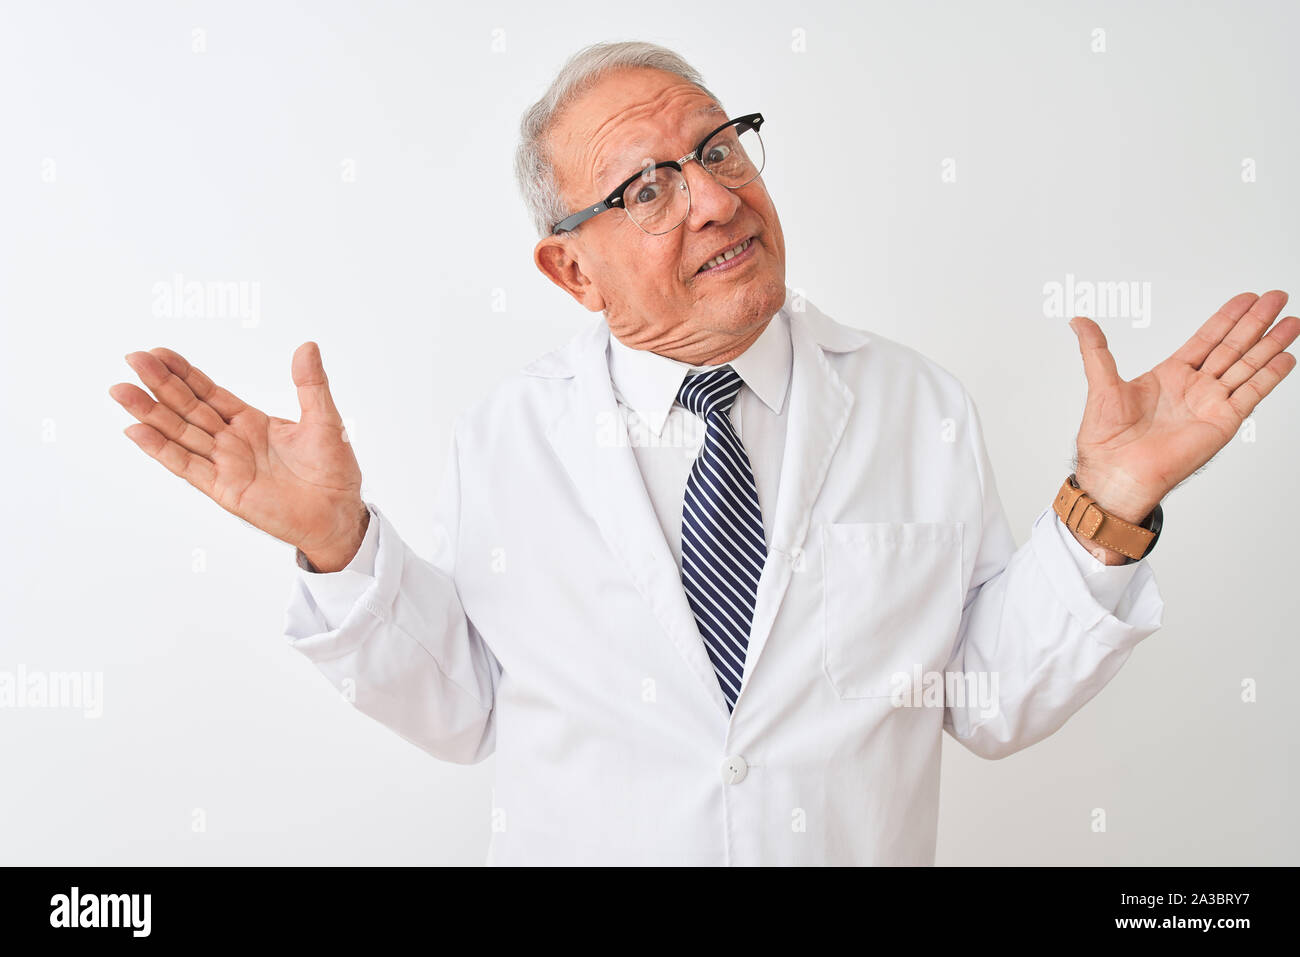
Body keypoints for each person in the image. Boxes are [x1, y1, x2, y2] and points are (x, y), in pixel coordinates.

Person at [109, 41, 1297, 865]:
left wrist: (1111, 497)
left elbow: (983, 699)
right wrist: (335, 543)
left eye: (720, 150)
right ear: (568, 267)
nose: (714, 200)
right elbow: (465, 709)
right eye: (645, 187)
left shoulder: (911, 403)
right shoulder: (510, 435)